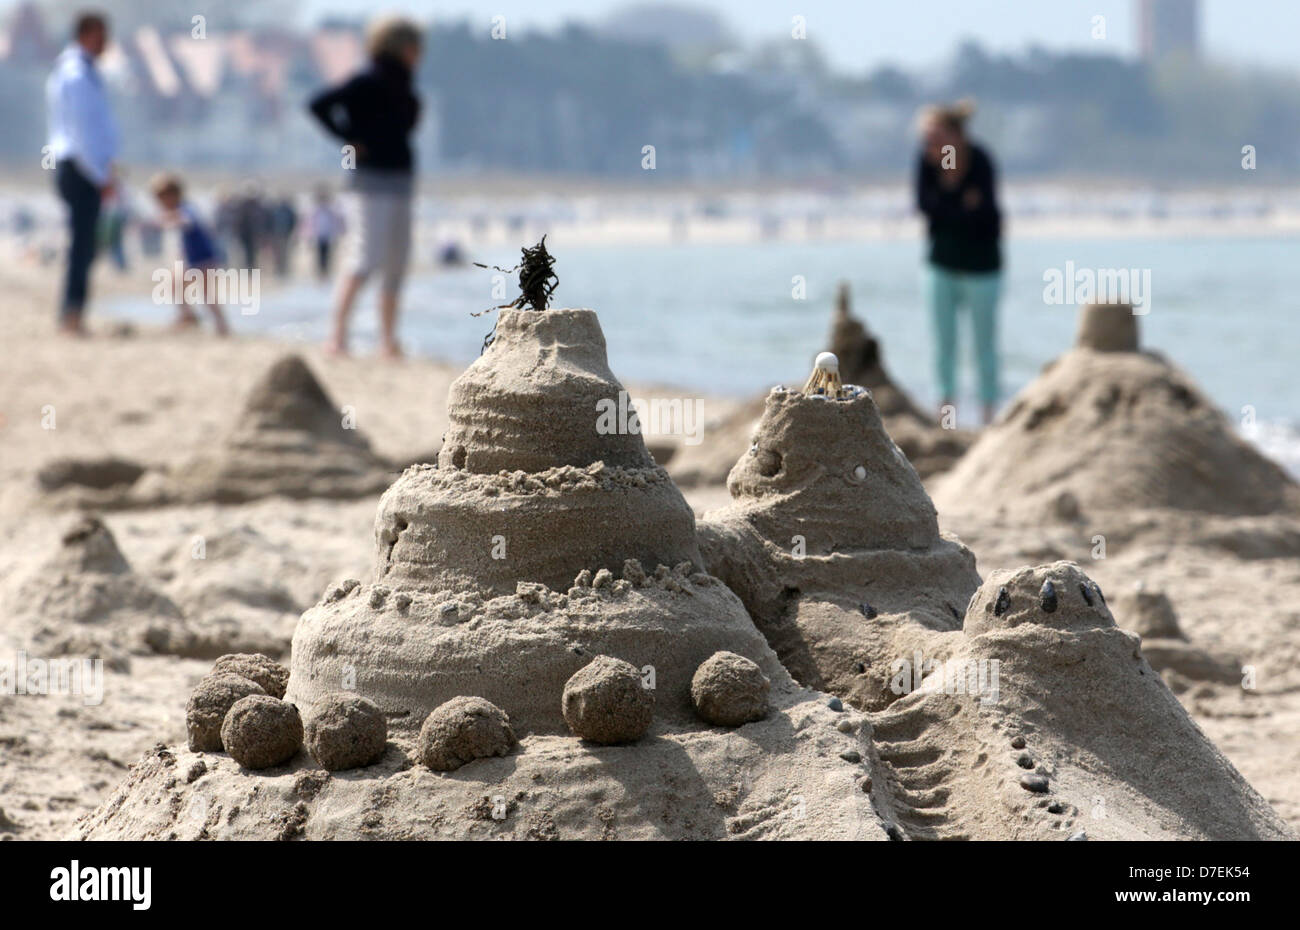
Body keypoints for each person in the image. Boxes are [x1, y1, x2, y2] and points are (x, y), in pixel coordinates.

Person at [308, 16, 422, 358]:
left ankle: (388, 342)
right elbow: (318, 104)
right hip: (370, 182)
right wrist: (349, 140)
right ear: (402, 47)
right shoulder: (368, 79)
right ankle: (337, 338)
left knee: (397, 262)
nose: (420, 53)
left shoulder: (404, 84)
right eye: (416, 47)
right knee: (365, 258)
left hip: (401, 180)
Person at [915, 100, 1003, 425]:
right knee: (943, 344)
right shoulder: (926, 162)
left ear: (955, 134)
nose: (930, 144)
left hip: (983, 267)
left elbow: (985, 215)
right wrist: (957, 202)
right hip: (941, 264)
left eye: (935, 136)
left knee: (984, 344)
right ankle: (946, 416)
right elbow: (925, 206)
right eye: (927, 138)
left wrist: (950, 207)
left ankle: (988, 416)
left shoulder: (980, 160)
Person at [46, 11, 119, 336]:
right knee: (83, 244)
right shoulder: (76, 74)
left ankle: (73, 311)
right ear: (88, 34)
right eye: (102, 35)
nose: (106, 42)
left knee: (85, 243)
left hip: (82, 167)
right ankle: (72, 314)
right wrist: (100, 175)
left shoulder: (82, 72)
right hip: (80, 168)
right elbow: (81, 133)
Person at [149, 173, 229, 336]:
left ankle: (205, 321)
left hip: (204, 259)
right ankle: (192, 317)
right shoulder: (183, 208)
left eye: (162, 200)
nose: (161, 205)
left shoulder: (186, 208)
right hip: (196, 259)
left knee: (206, 295)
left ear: (172, 196)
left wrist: (167, 219)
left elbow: (187, 220)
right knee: (179, 285)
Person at [306, 186, 344, 280]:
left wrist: (336, 234)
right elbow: (311, 224)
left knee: (327, 255)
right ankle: (320, 273)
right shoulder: (315, 210)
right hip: (319, 235)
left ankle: (326, 273)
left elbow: (335, 223)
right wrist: (310, 236)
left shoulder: (330, 210)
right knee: (319, 255)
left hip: (328, 236)